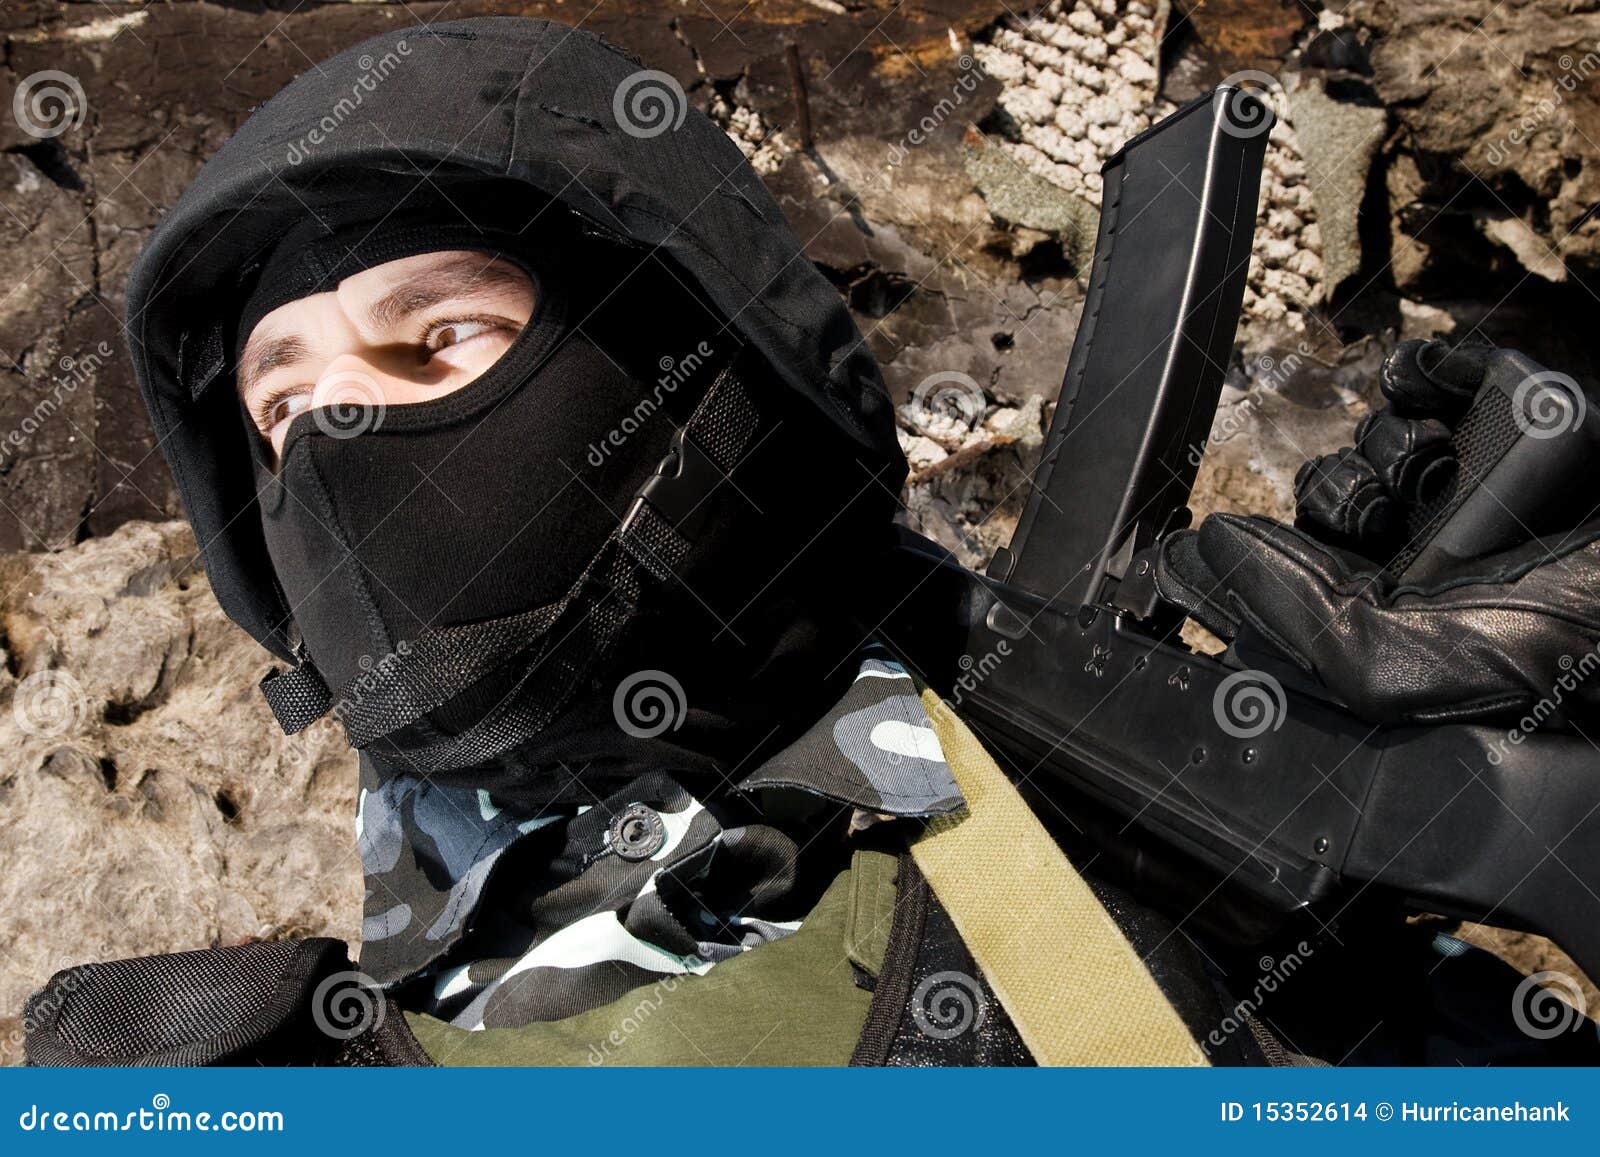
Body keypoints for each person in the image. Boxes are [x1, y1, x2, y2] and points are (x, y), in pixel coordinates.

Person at [24, 16, 1600, 1067]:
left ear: (697, 376)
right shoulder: (296, 1051)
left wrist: (1480, 820)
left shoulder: (1095, 857)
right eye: (282, 412)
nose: (348, 450)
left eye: (437, 347)